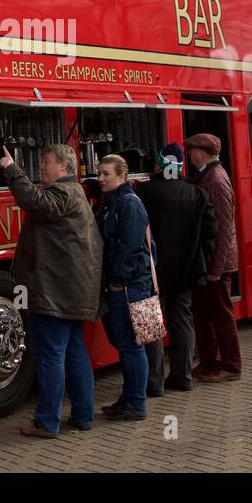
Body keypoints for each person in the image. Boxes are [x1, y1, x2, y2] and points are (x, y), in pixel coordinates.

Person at [2, 142, 104, 438]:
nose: (42, 166)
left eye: (46, 161)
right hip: (71, 291)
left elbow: (35, 202)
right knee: (75, 354)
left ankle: (46, 422)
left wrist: (12, 170)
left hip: (55, 293)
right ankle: (83, 416)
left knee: (51, 356)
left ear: (65, 167)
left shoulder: (62, 193)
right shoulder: (76, 193)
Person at [137, 143, 216, 393]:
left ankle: (154, 381)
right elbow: (210, 233)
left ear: (160, 164)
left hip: (151, 271)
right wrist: (197, 259)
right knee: (182, 321)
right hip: (184, 270)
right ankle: (183, 376)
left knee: (150, 323)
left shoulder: (144, 192)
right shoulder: (197, 194)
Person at [94, 154, 154, 421]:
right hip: (128, 285)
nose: (100, 179)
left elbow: (130, 248)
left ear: (122, 176)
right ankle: (130, 397)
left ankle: (137, 403)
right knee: (127, 344)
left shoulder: (129, 204)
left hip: (131, 286)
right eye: (99, 173)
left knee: (131, 344)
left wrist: (117, 282)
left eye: (106, 174)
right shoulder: (112, 203)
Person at [184, 133, 242, 381]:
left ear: (202, 153)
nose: (188, 155)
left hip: (215, 263)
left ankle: (230, 366)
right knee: (203, 314)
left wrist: (216, 268)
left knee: (220, 314)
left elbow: (224, 228)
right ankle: (209, 362)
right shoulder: (206, 175)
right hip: (206, 261)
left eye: (191, 151)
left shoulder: (216, 180)